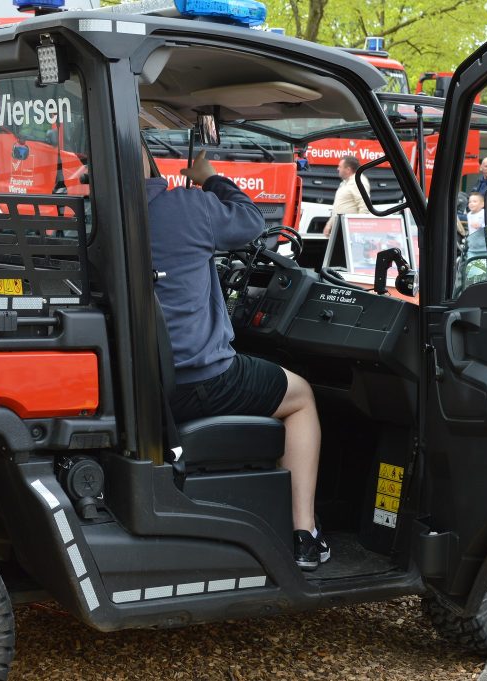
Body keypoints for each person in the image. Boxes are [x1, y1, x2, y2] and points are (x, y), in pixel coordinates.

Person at [145, 148, 328, 571]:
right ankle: (304, 533)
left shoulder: (97, 216)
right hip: (200, 381)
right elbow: (250, 220)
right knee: (301, 395)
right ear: (144, 159)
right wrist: (210, 176)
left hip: (139, 387)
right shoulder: (186, 205)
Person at [323, 155, 369, 236]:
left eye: (340, 167)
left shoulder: (359, 181)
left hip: (350, 231)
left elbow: (364, 207)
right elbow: (338, 207)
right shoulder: (345, 183)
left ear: (348, 169)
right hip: (341, 228)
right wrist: (329, 224)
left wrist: (358, 230)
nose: (338, 169)